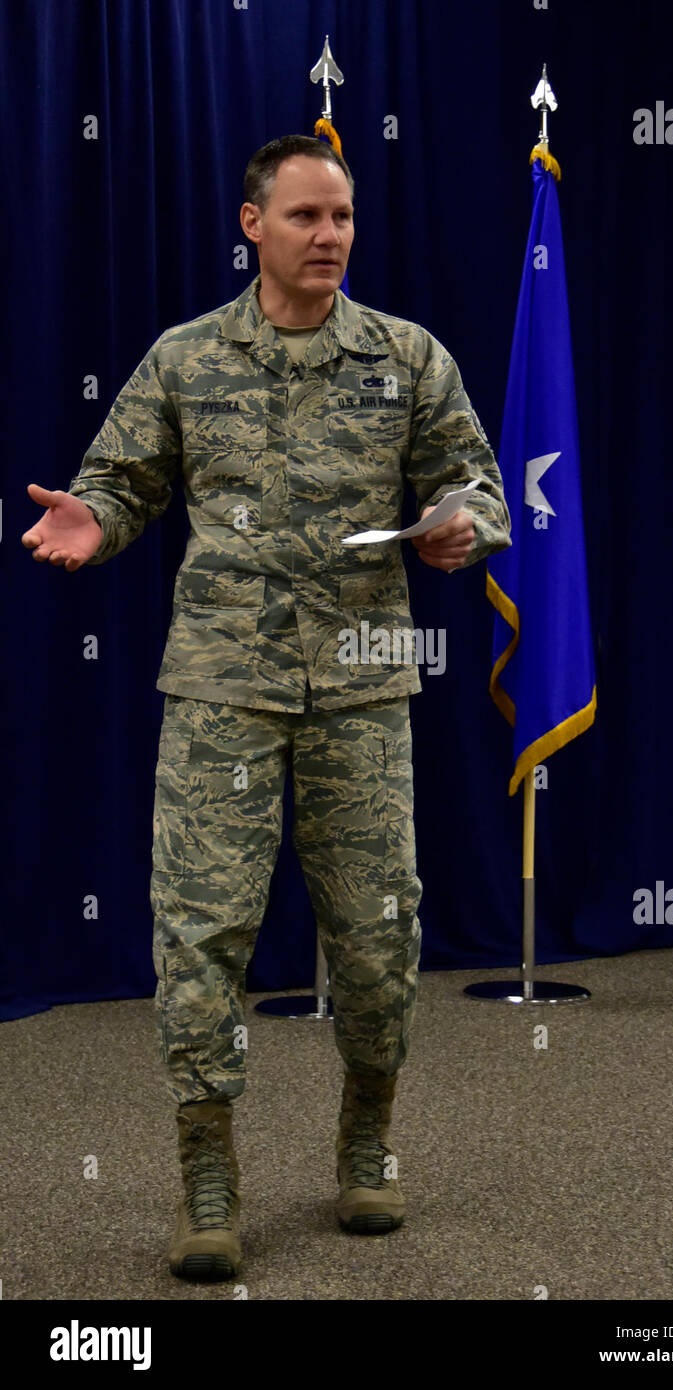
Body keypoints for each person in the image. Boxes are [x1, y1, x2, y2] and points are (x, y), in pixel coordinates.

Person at [21, 134, 512, 1281]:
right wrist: (94, 519)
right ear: (253, 226)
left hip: (360, 685)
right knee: (200, 937)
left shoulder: (405, 355)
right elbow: (119, 481)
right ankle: (207, 1169)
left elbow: (478, 484)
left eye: (341, 216)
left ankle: (368, 1133)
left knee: (380, 933)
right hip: (221, 690)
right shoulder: (187, 360)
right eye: (304, 217)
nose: (329, 235)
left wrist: (460, 526)